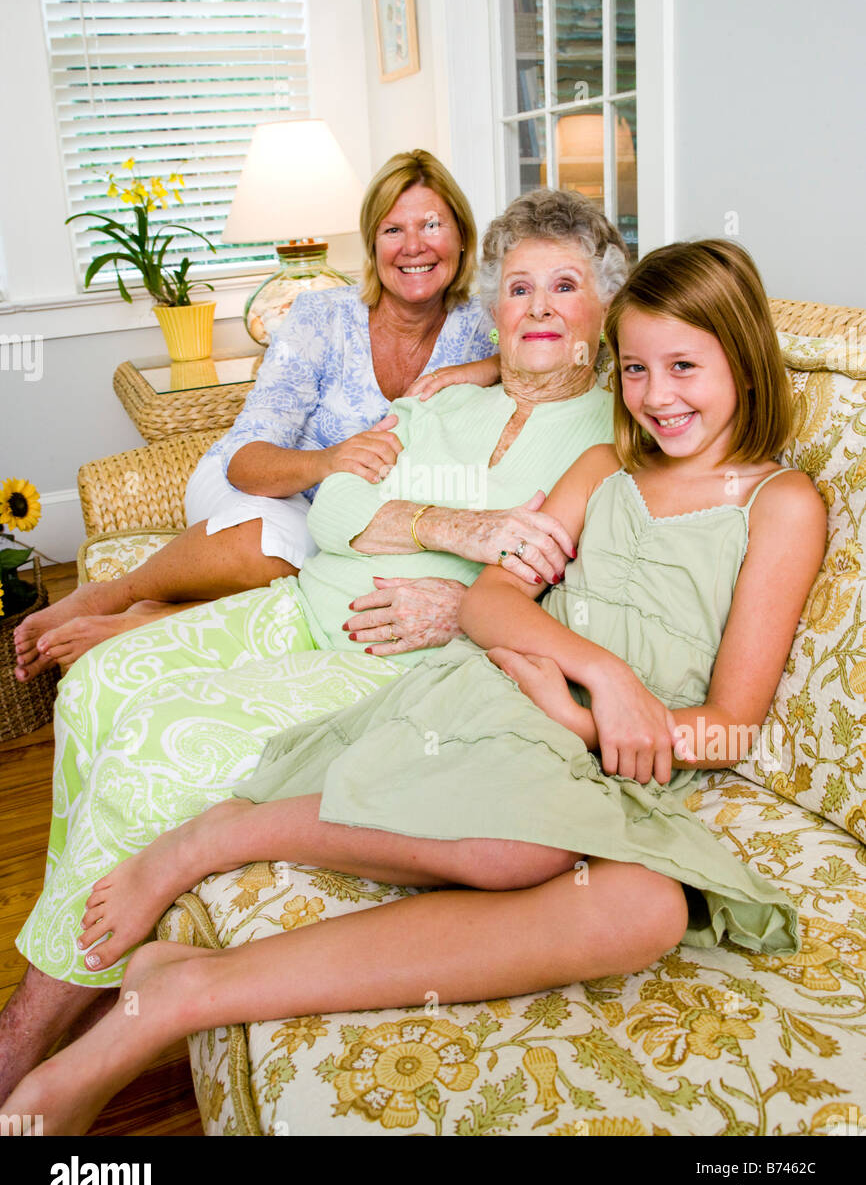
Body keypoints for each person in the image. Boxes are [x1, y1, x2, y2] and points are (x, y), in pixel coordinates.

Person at [0, 238, 827, 1136]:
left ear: (743, 358)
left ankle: (187, 986)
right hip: (513, 699)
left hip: (620, 753)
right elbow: (493, 602)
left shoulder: (779, 504)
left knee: (651, 907)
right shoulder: (607, 471)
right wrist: (592, 680)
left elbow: (730, 729)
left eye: (683, 367)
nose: (658, 396)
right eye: (636, 369)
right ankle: (217, 850)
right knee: (517, 853)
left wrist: (606, 720)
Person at [13, 148, 500, 682]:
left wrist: (488, 367)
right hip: (270, 489)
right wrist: (330, 461)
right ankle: (117, 594)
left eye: (432, 224)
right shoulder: (319, 316)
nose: (414, 246)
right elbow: (246, 462)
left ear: (461, 236)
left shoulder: (482, 325)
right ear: (371, 243)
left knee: (339, 577)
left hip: (360, 523)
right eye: (392, 230)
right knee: (278, 550)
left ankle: (150, 622)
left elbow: (554, 351)